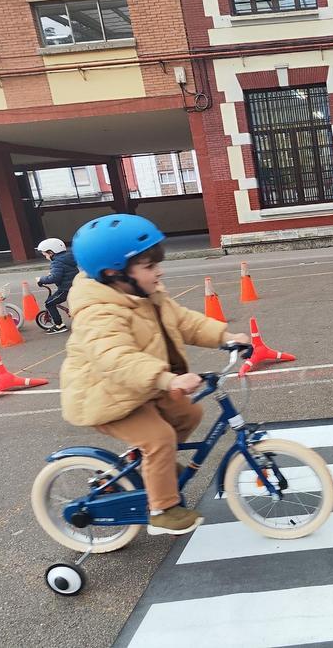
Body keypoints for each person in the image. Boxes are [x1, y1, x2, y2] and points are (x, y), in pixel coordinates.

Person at [58, 214, 249, 536]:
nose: (158, 272)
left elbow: (184, 322)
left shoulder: (147, 294)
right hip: (105, 397)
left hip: (139, 388)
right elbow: (116, 359)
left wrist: (224, 337)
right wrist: (168, 379)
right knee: (159, 439)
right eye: (148, 266)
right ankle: (162, 510)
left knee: (188, 413)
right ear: (114, 273)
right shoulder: (99, 312)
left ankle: (153, 468)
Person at [36, 237, 78, 334]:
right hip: (75, 285)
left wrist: (41, 279)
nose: (46, 257)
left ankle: (59, 325)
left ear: (51, 252)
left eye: (45, 255)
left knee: (49, 303)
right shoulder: (68, 257)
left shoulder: (57, 262)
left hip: (66, 289)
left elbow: (55, 278)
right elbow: (63, 272)